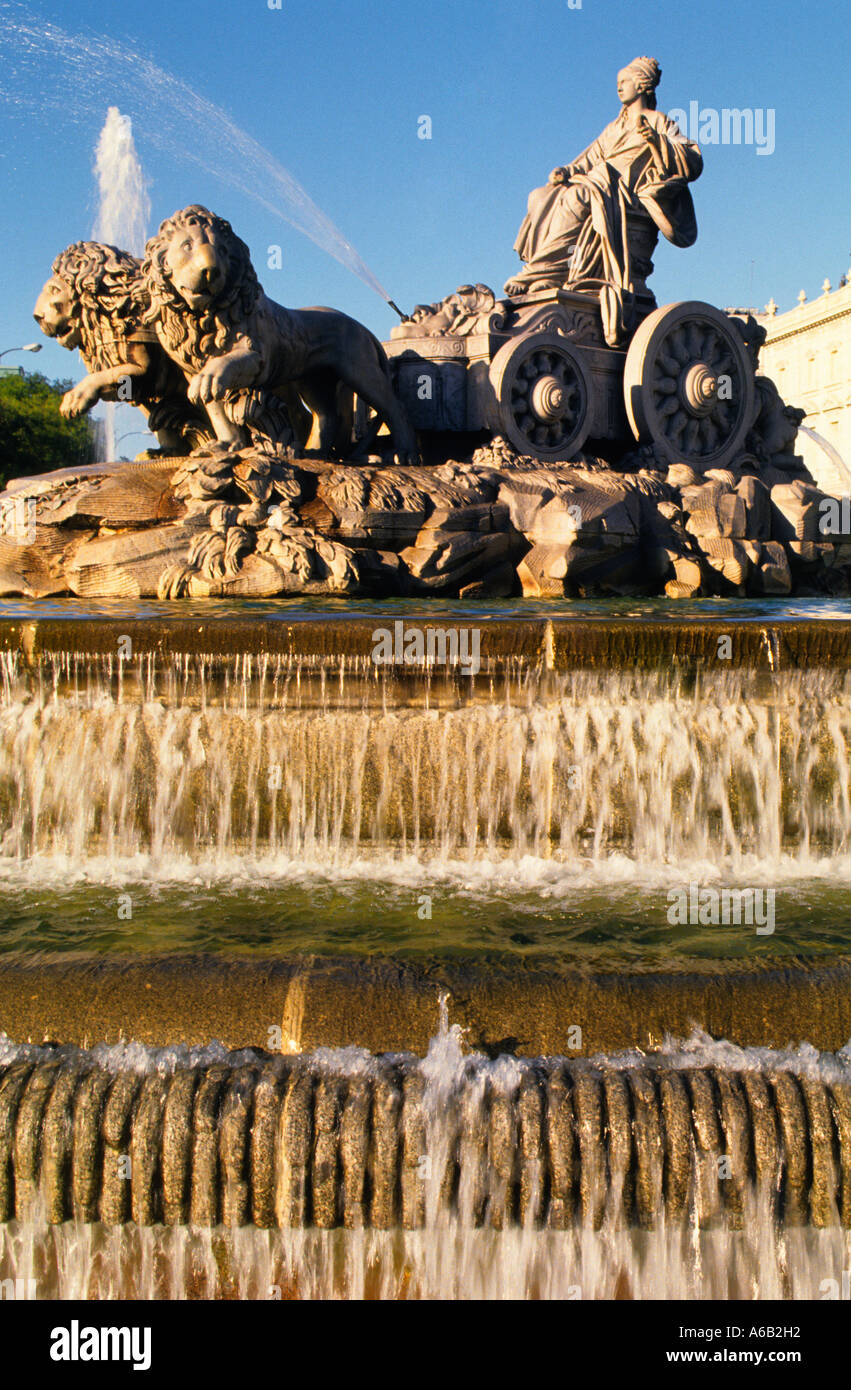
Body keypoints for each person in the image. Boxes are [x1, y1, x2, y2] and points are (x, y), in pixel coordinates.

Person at [504, 57, 703, 345]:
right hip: (600, 183)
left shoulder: (659, 122)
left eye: (624, 82)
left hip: (624, 194)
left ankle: (540, 272)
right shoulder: (614, 127)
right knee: (541, 195)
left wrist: (658, 143)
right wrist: (568, 171)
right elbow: (591, 158)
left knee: (578, 196)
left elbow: (693, 162)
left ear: (642, 84)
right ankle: (550, 274)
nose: (619, 87)